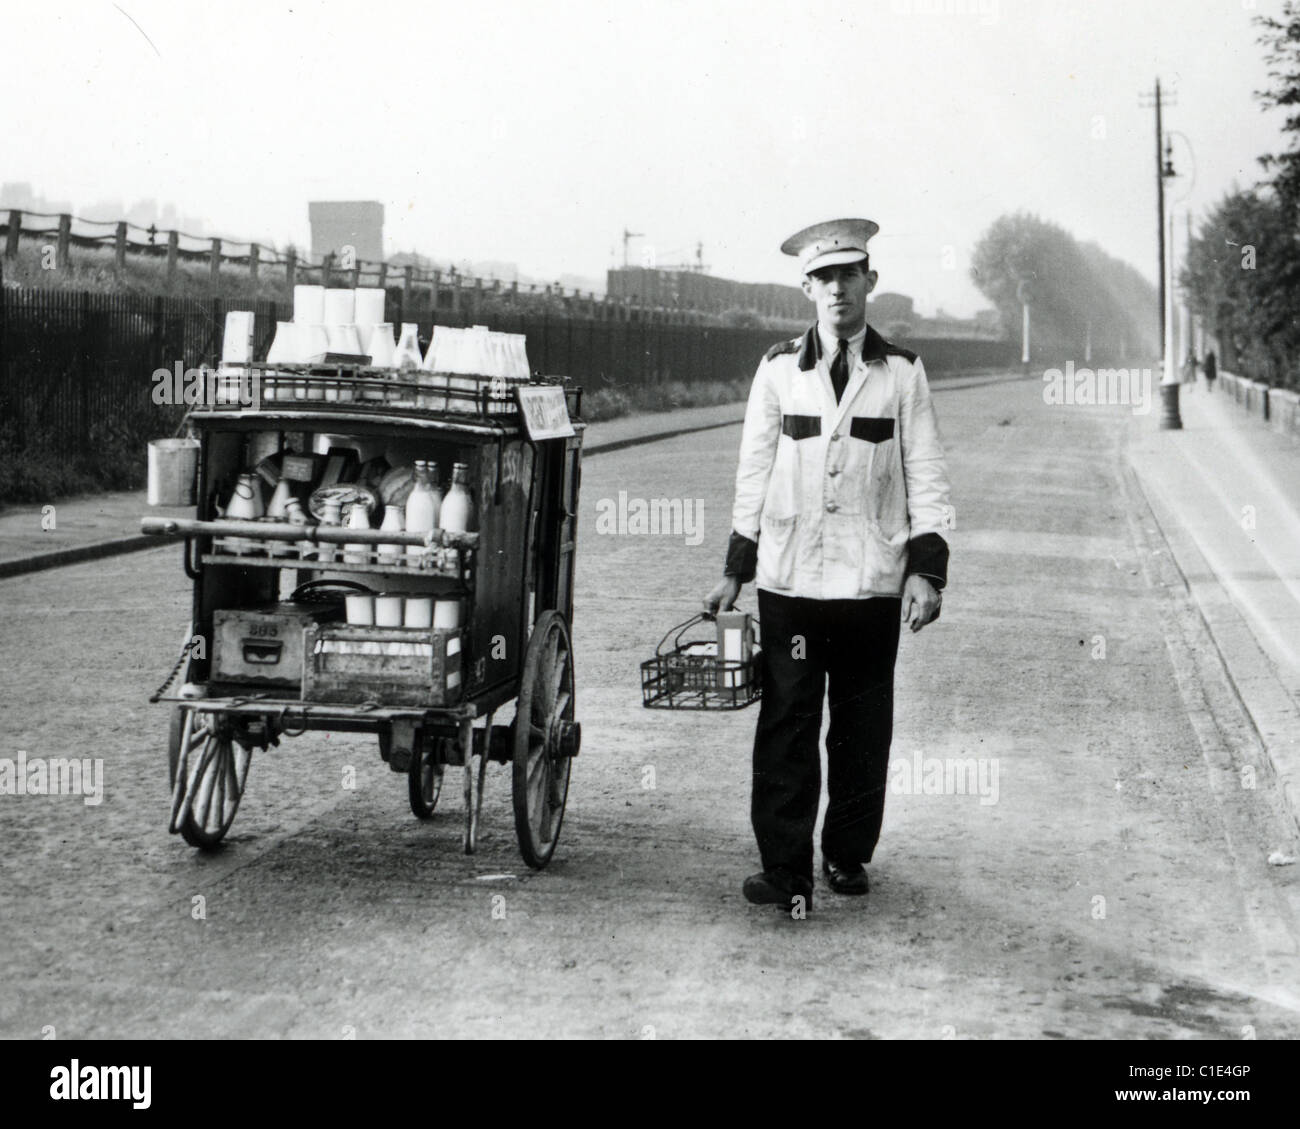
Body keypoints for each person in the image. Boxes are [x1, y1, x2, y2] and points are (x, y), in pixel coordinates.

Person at [703, 218, 952, 915]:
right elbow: (753, 469)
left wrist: (925, 571)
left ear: (870, 281)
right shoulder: (779, 368)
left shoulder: (902, 372)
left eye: (849, 274)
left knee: (862, 726)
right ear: (806, 288)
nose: (837, 288)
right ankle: (784, 869)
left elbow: (926, 474)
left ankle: (845, 852)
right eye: (824, 277)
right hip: (793, 580)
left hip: (871, 581)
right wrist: (736, 567)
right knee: (786, 722)